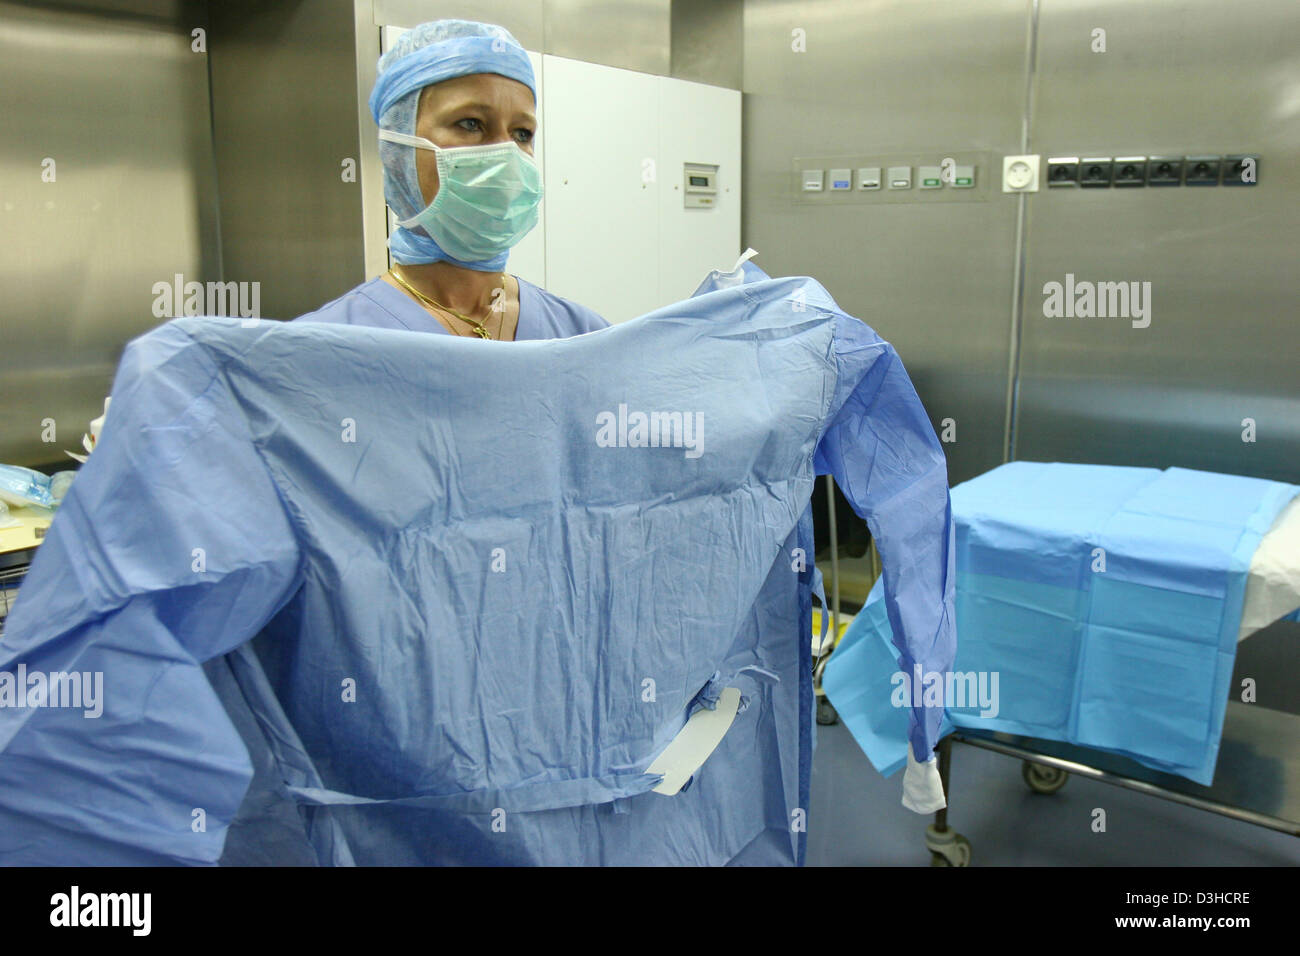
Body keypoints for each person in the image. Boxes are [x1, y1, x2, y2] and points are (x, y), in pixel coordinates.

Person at [297, 19, 607, 340]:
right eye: (471, 123)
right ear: (397, 151)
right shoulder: (323, 348)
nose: (505, 153)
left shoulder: (583, 336)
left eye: (521, 133)